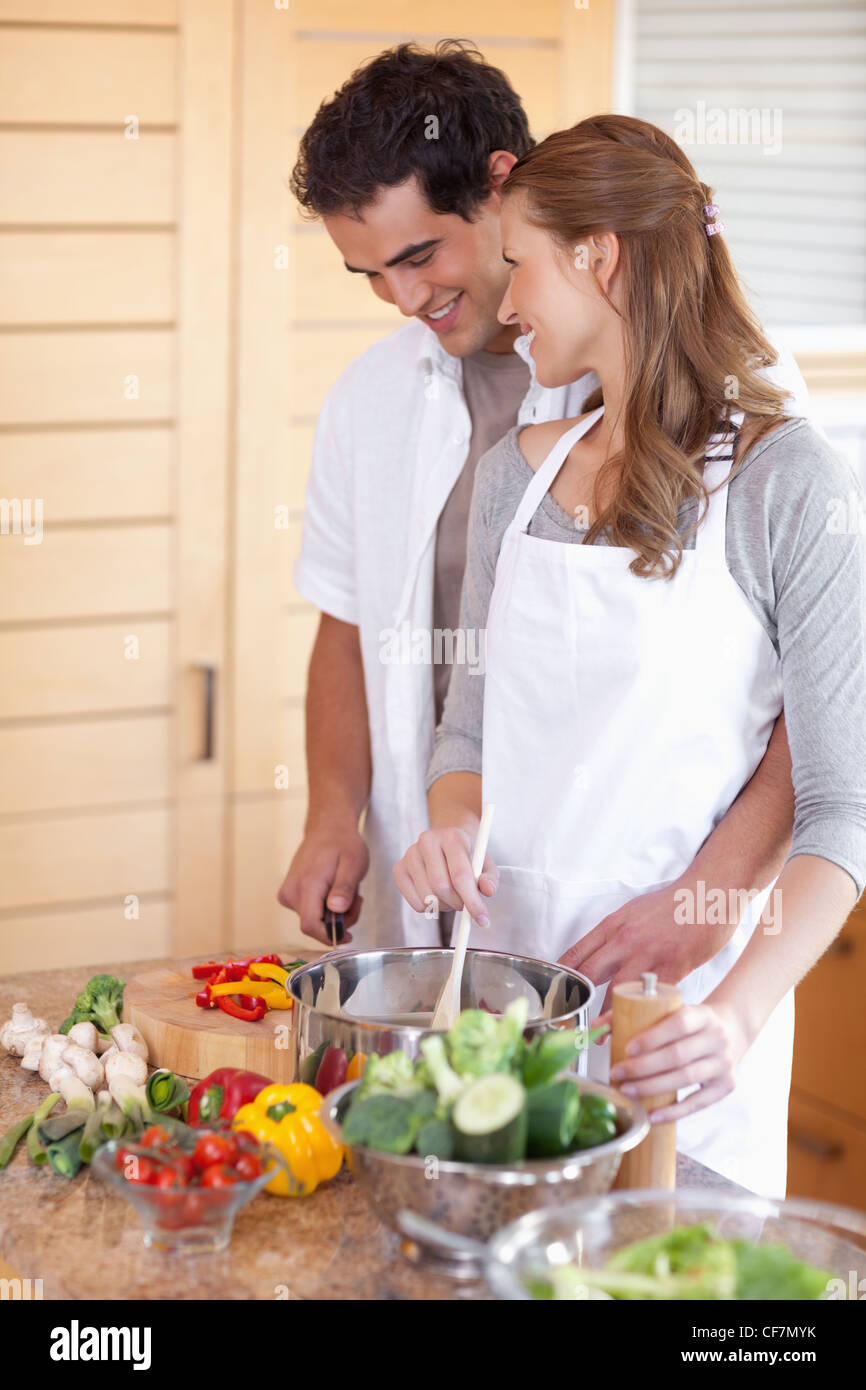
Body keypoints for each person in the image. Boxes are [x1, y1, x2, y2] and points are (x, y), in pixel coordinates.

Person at [393, 114, 866, 1195]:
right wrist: (448, 830)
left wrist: (731, 1014)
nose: (506, 303)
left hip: (678, 1047)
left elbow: (840, 804)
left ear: (597, 254)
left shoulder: (786, 483)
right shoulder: (514, 475)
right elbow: (466, 730)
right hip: (498, 1034)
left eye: (521, 265)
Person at [280, 40, 806, 963]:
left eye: (419, 254)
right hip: (451, 903)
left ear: (502, 184)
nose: (403, 298)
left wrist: (707, 902)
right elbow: (350, 621)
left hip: (662, 916)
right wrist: (335, 812)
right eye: (369, 275)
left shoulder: (742, 408)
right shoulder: (369, 400)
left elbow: (822, 699)